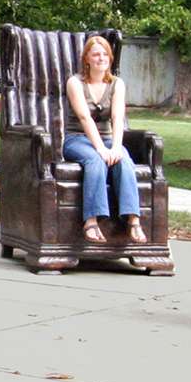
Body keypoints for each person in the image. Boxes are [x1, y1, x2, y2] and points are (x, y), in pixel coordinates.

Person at [61, 34, 145, 245]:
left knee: (124, 160)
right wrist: (100, 148)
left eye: (105, 54)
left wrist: (116, 147)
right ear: (86, 58)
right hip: (77, 139)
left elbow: (117, 118)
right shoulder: (75, 82)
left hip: (108, 139)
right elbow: (84, 117)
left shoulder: (117, 84)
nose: (101, 58)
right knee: (95, 161)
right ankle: (91, 221)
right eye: (96, 54)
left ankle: (133, 220)